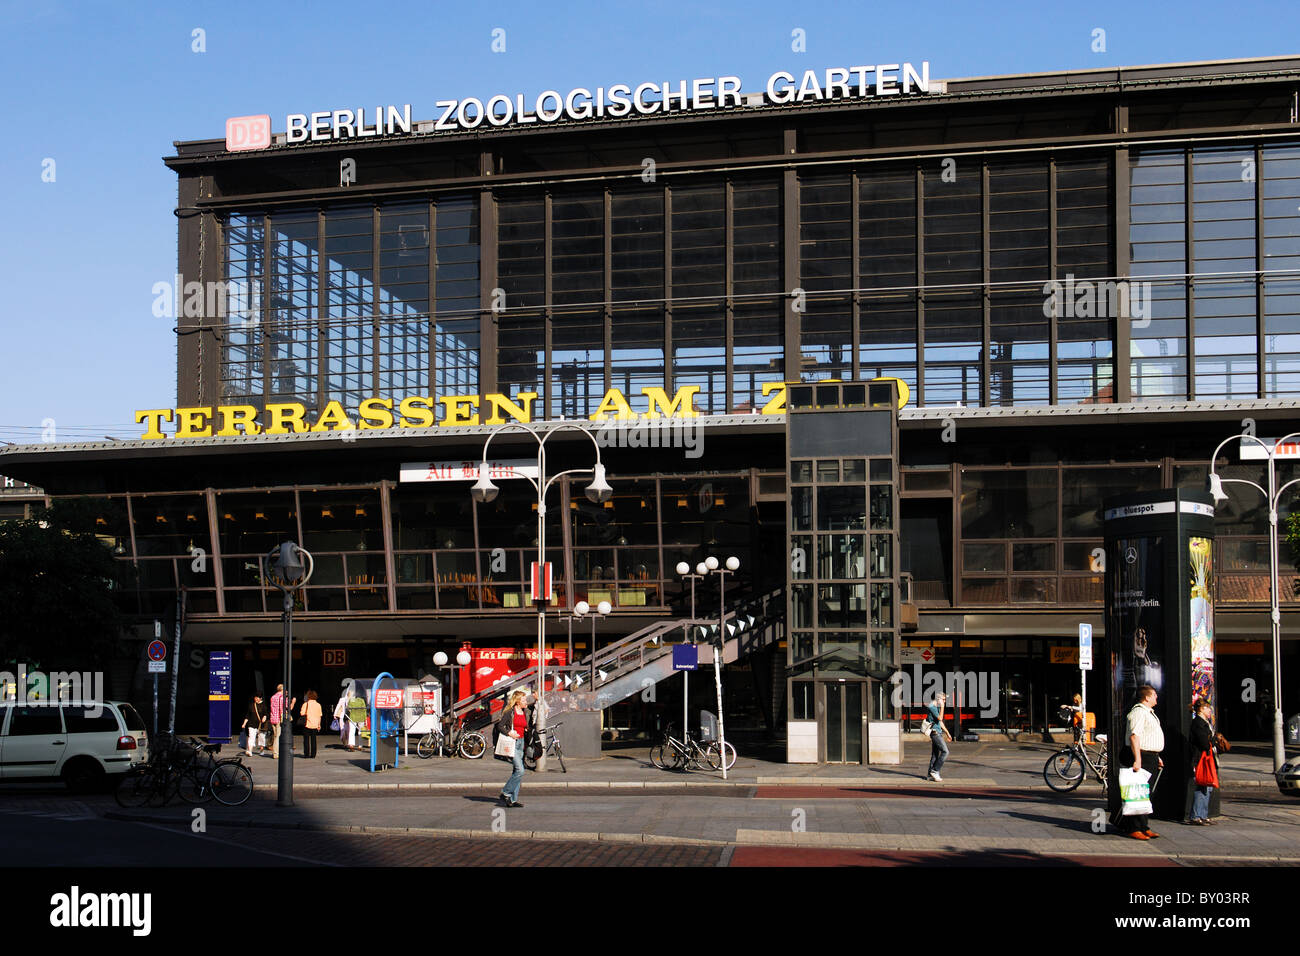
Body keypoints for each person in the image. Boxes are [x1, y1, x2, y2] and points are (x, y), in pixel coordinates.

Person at [1121, 684, 1165, 840]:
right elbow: (1135, 736)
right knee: (1137, 793)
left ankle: (1143, 826)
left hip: (1150, 755)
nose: (1156, 697)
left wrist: (1157, 756)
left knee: (1146, 794)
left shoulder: (1149, 713)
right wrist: (1138, 759)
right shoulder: (1139, 712)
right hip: (1141, 756)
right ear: (1146, 697)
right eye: (1154, 695)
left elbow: (1148, 736)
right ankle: (1133, 827)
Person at [1187, 698, 1219, 826]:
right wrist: (1213, 741)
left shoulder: (1204, 722)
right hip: (1201, 759)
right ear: (1201, 709)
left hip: (1207, 758)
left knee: (1208, 787)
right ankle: (1196, 815)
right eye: (1208, 708)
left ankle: (1203, 815)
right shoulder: (1198, 723)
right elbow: (1204, 743)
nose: (1210, 710)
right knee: (1202, 786)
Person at [497, 689, 530, 808]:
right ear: (517, 701)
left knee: (517, 771)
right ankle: (505, 792)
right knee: (520, 770)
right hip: (513, 743)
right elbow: (500, 726)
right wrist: (510, 733)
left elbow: (526, 725)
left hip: (522, 743)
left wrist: (527, 729)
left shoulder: (526, 712)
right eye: (524, 700)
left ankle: (512, 800)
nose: (526, 701)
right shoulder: (510, 712)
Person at [924, 691, 953, 782]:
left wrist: (947, 733)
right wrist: (943, 706)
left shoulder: (936, 707)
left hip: (938, 732)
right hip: (935, 733)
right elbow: (940, 718)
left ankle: (930, 775)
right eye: (943, 699)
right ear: (938, 699)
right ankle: (935, 770)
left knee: (935, 755)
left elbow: (940, 722)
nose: (944, 701)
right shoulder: (932, 706)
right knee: (945, 752)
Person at [269, 684, 297, 759]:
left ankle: (276, 751)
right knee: (278, 737)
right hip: (279, 719)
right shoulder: (283, 698)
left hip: (273, 718)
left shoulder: (273, 697)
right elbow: (288, 708)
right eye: (286, 690)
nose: (287, 692)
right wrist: (293, 702)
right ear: (282, 690)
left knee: (275, 736)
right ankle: (276, 753)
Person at [300, 690, 322, 758]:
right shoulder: (318, 705)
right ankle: (313, 754)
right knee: (314, 739)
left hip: (307, 723)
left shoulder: (305, 704)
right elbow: (319, 715)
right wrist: (319, 724)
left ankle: (306, 754)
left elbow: (302, 713)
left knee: (306, 739)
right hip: (315, 724)